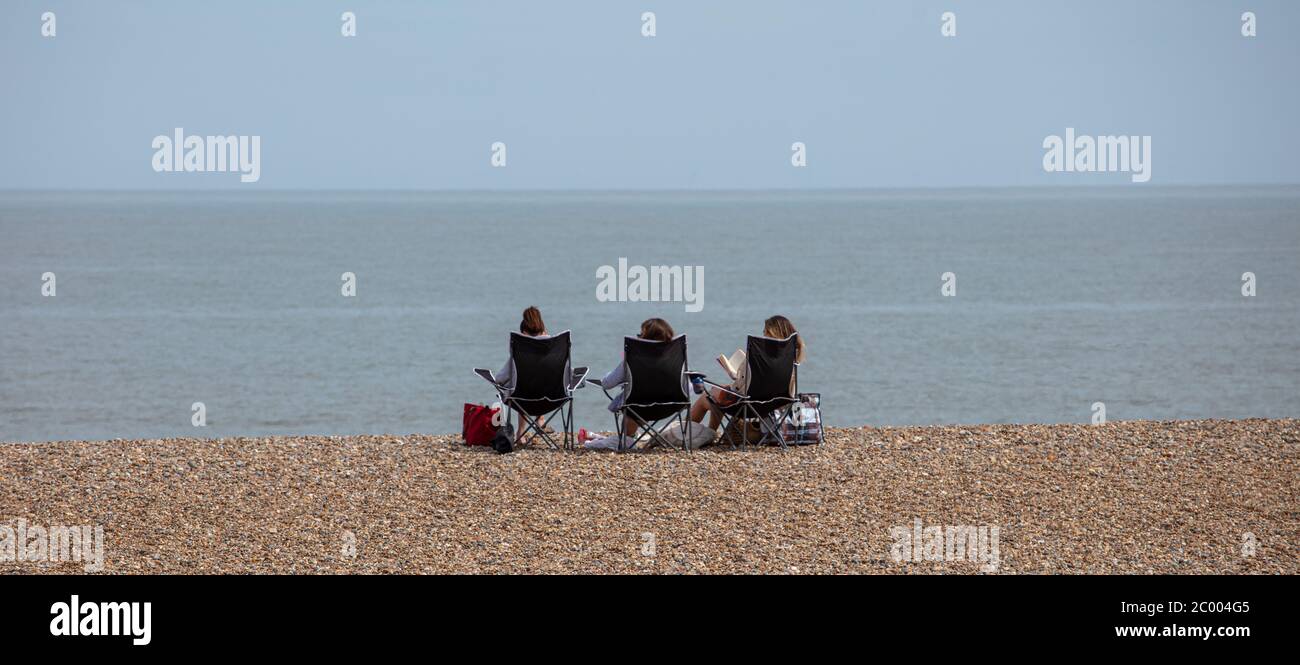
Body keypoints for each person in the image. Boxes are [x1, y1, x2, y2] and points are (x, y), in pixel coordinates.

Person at [689, 314, 806, 430]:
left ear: (772, 333)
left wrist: (734, 376)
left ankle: (686, 433)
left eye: (765, 332)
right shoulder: (790, 357)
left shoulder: (759, 355)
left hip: (748, 406)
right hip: (775, 405)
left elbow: (738, 389)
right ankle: (710, 432)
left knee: (707, 396)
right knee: (717, 395)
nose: (763, 335)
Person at [584, 318, 677, 450]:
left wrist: (625, 376)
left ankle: (627, 439)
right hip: (670, 407)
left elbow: (607, 384)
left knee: (631, 406)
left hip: (639, 409)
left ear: (645, 338)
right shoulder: (675, 360)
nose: (637, 337)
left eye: (640, 334)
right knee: (636, 405)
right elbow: (688, 387)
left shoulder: (634, 359)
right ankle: (630, 437)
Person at [494, 306, 549, 443]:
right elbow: (566, 374)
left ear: (524, 332)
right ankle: (540, 419)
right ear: (543, 331)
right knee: (539, 381)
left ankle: (520, 433)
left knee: (521, 386)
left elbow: (500, 379)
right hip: (551, 399)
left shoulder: (519, 352)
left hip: (522, 399)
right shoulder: (553, 350)